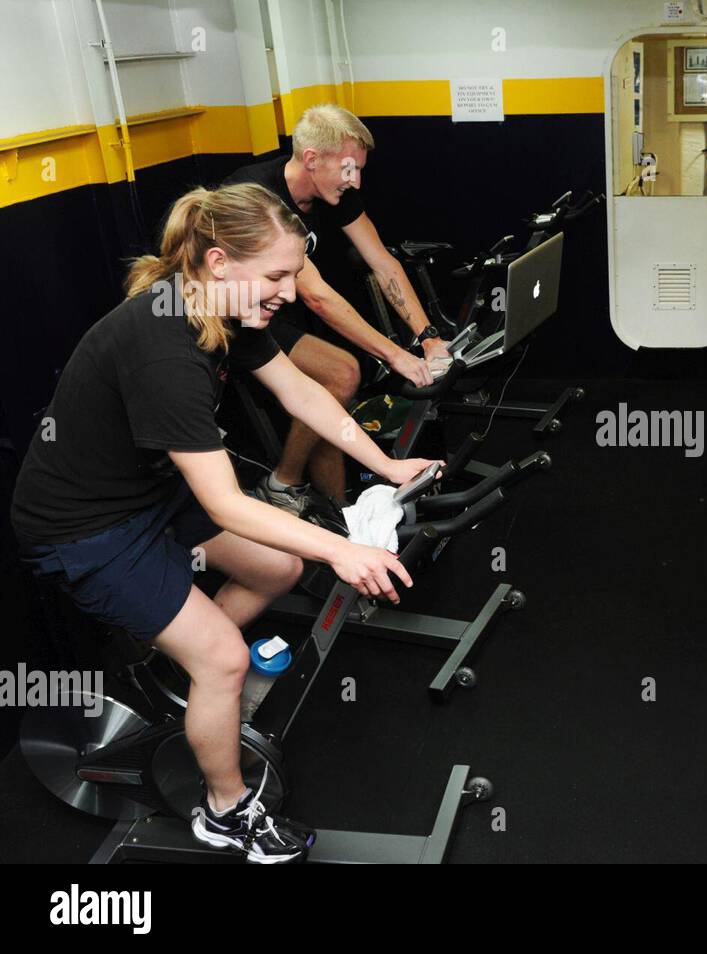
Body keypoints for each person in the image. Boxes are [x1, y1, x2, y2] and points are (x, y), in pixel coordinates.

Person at [10, 183, 441, 862]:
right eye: (276, 276)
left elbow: (302, 390)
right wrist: (343, 550)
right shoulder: (164, 347)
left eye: (292, 276)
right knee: (226, 657)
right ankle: (224, 809)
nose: (290, 294)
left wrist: (386, 466)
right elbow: (225, 504)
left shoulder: (225, 311)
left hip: (140, 496)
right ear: (217, 261)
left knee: (279, 566)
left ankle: (186, 675)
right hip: (82, 525)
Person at [225, 104, 450, 514]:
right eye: (349, 169)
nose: (356, 180)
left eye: (360, 170)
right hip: (236, 317)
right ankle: (281, 484)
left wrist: (428, 336)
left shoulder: (336, 193)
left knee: (330, 405)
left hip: (283, 311)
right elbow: (316, 295)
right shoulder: (259, 195)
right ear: (311, 159)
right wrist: (397, 356)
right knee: (342, 373)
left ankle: (340, 515)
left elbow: (383, 263)